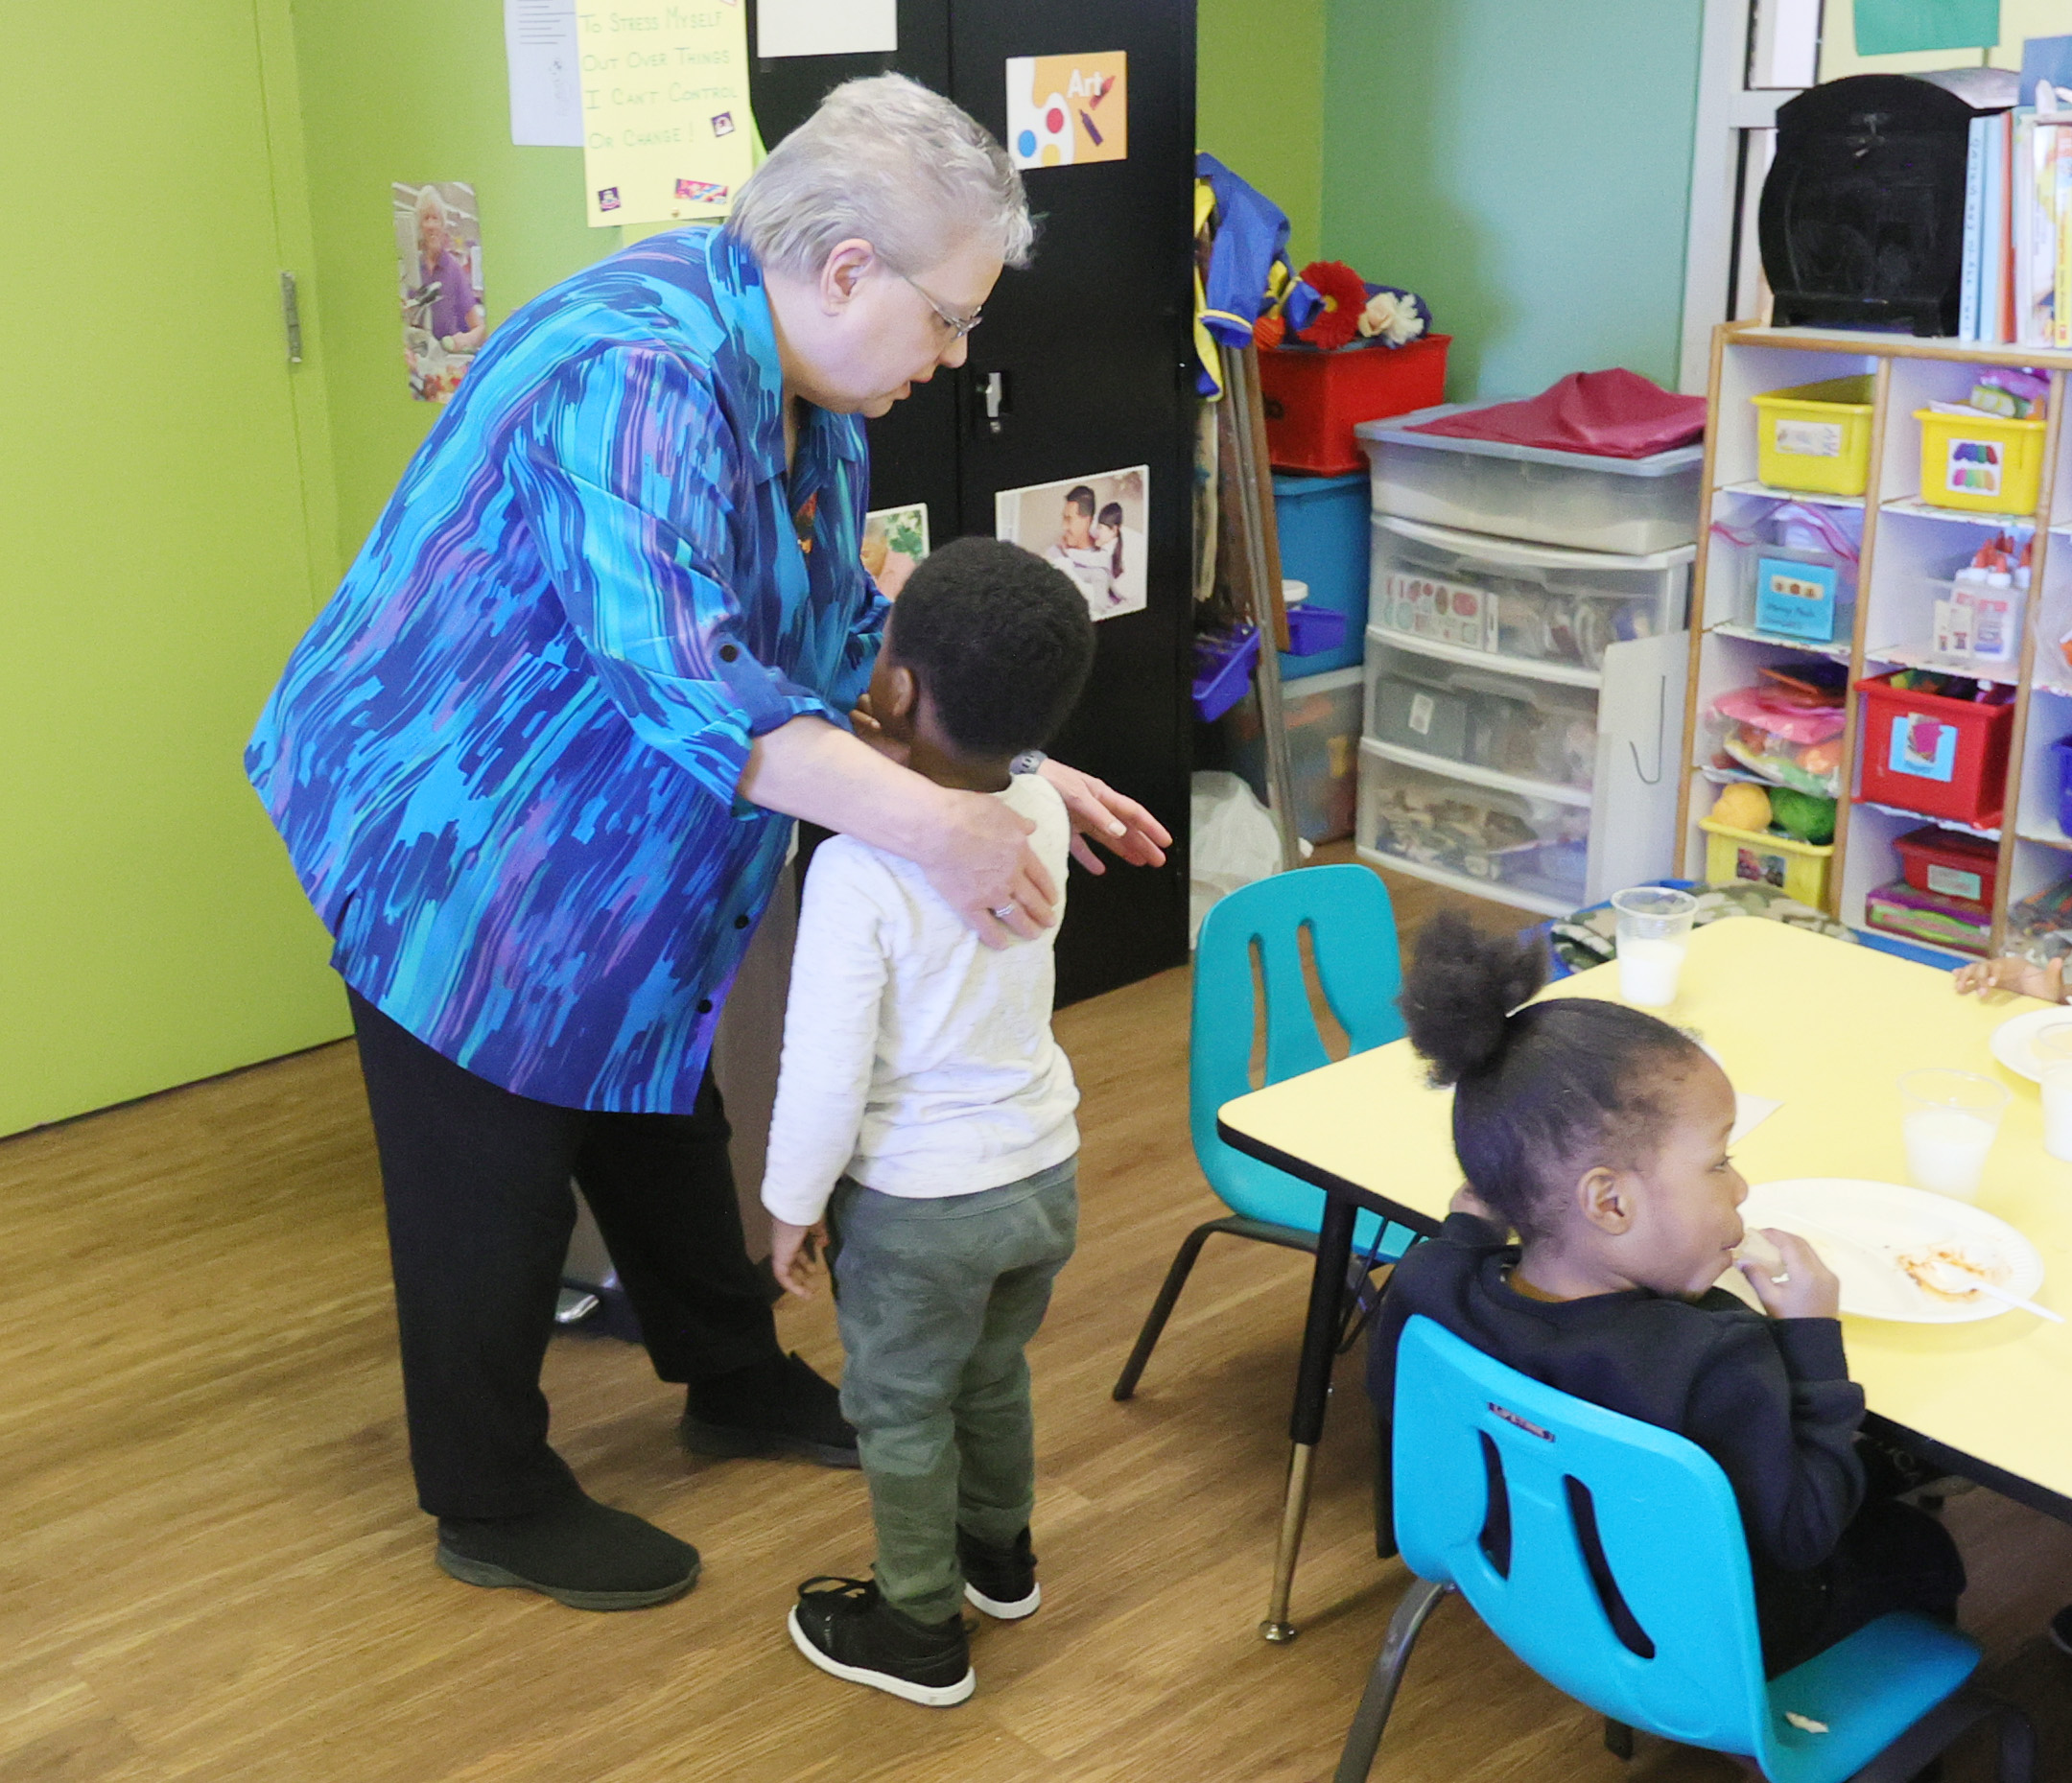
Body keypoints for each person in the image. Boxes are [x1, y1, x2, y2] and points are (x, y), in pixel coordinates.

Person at [246, 76, 1168, 1615]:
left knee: (654, 1096)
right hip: (452, 820)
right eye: (948, 319)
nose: (952, 358)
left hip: (606, 816)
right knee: (494, 1158)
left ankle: (730, 1371)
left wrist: (1008, 762)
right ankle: (489, 1490)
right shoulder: (634, 370)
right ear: (850, 269)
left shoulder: (806, 395)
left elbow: (838, 627)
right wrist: (938, 824)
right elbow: (691, 677)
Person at [1371, 914, 1965, 1677]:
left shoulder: (1431, 1283)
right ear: (1609, 1203)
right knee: (1919, 1547)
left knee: (1863, 1473)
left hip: (1518, 1579)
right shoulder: (1714, 1354)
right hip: (1691, 1645)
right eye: (1721, 1161)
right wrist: (1813, 1344)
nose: (1742, 1184)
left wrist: (1472, 1223)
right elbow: (1802, 1530)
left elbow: (1416, 1341)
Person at [758, 539, 1093, 1706]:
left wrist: (790, 1206)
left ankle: (917, 1627)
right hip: (1041, 1176)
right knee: (993, 1372)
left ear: (891, 687)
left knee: (899, 1410)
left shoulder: (859, 866)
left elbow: (824, 1070)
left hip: (918, 1205)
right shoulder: (1041, 806)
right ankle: (1002, 1561)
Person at [407, 185, 486, 355]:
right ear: (419, 225)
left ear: (443, 225)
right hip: (419, 361)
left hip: (447, 361)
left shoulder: (453, 269)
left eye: (435, 218)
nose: (431, 225)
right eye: (425, 219)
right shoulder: (410, 270)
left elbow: (479, 328)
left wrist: (465, 340)